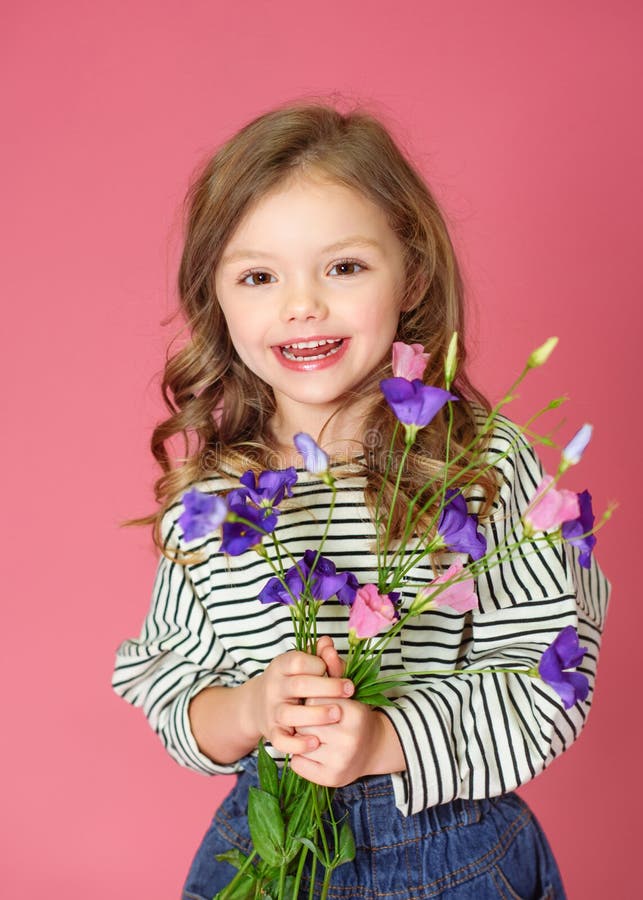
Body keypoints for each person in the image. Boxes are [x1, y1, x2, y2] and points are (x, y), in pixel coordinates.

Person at [112, 102, 610, 899]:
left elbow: (546, 678)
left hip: (449, 849)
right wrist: (249, 708)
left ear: (411, 274)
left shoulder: (477, 466)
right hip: (269, 851)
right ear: (216, 298)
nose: (301, 303)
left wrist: (383, 738)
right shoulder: (210, 502)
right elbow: (170, 680)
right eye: (258, 276)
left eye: (343, 267)